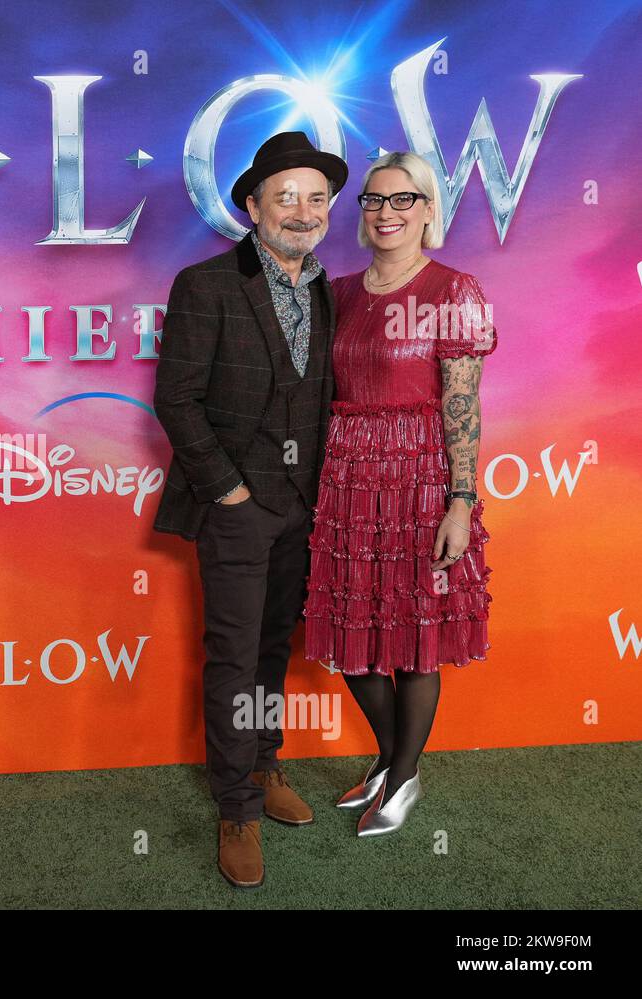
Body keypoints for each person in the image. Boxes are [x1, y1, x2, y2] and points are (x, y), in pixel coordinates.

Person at [153, 131, 347, 887]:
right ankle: (234, 805)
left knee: (271, 649)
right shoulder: (206, 284)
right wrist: (229, 489)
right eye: (286, 196)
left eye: (316, 198)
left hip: (304, 504)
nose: (303, 211)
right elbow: (176, 399)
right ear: (251, 206)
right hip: (237, 505)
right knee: (234, 659)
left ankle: (264, 766)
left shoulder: (330, 288)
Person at [301, 150, 497, 837]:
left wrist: (461, 501)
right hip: (347, 476)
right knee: (350, 630)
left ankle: (405, 776)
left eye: (402, 199)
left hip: (420, 482)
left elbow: (463, 405)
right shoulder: (340, 291)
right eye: (374, 200)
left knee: (416, 637)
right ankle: (390, 759)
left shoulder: (454, 291)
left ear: (428, 209)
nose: (386, 212)